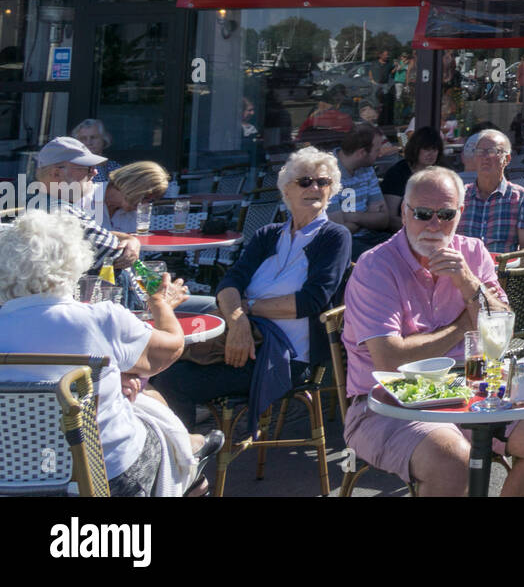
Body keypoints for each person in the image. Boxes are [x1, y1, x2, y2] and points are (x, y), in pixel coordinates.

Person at [342, 167, 524, 495]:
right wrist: (462, 326)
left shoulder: (473, 253)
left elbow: (500, 337)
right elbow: (390, 361)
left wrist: (468, 283)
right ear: (404, 213)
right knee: (454, 461)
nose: (434, 225)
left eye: (445, 214)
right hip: (388, 402)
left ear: (460, 214)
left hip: (473, 392)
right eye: (422, 213)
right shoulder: (376, 265)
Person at [0, 210, 221, 495]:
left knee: (140, 400)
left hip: (14, 476)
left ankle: (192, 457)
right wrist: (160, 303)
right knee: (148, 407)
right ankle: (192, 461)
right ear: (73, 262)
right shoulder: (100, 319)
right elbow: (168, 351)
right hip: (106, 476)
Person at [152, 147, 351, 429]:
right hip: (242, 340)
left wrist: (247, 309)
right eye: (306, 182)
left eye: (324, 182)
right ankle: (180, 450)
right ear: (287, 190)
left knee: (175, 380)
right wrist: (237, 321)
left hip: (288, 356)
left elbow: (311, 301)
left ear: (332, 191)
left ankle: (183, 459)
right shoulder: (268, 234)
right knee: (162, 366)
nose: (315, 188)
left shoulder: (334, 237)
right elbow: (230, 281)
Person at [33, 137, 140, 272]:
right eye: (87, 168)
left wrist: (128, 238)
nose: (95, 172)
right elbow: (116, 256)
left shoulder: (39, 203)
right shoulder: (62, 212)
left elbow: (88, 233)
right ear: (56, 173)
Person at [458, 129, 524, 256]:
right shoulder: (459, 196)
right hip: (462, 271)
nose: (485, 157)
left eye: (492, 151)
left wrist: (509, 269)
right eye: (479, 152)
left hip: (502, 272)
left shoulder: (522, 198)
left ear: (507, 159)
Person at [328, 124, 392, 259]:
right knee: (383, 260)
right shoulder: (326, 172)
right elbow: (338, 230)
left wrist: (352, 217)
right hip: (340, 245)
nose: (380, 154)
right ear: (362, 152)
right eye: (377, 150)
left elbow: (383, 220)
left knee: (407, 250)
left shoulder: (366, 168)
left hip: (371, 236)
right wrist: (367, 217)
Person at [380, 125, 445, 223]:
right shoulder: (397, 174)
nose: (430, 154)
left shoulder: (441, 174)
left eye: (434, 149)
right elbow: (390, 217)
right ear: (415, 149)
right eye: (426, 149)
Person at [103, 160, 172, 232]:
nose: (145, 204)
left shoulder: (132, 214)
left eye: (151, 200)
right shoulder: (92, 196)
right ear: (131, 185)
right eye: (145, 197)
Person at [72, 119, 123, 189]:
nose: (89, 142)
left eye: (93, 137)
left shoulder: (114, 167)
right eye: (83, 138)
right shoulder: (72, 169)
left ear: (104, 139)